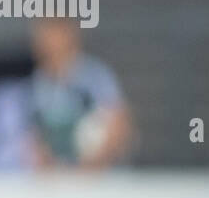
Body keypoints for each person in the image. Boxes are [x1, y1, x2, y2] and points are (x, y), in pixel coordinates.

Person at [27, 15, 132, 170]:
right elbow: (33, 138)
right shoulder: (38, 83)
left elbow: (119, 127)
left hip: (103, 183)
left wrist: (90, 167)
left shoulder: (95, 77)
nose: (51, 43)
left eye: (56, 34)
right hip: (61, 184)